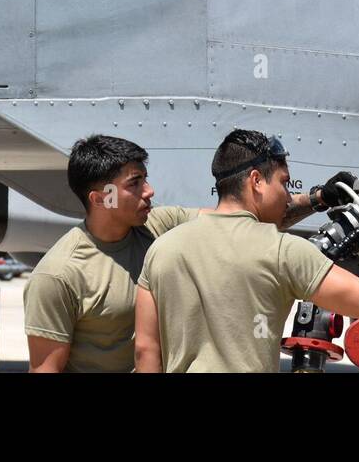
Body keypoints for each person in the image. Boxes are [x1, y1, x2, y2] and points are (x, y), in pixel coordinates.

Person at [134, 128, 359, 373]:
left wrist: (319, 198)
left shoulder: (162, 248)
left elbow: (146, 351)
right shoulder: (282, 250)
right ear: (256, 181)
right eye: (283, 183)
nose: (286, 194)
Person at [24, 133, 333, 372]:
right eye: (136, 183)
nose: (150, 191)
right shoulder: (58, 275)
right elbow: (45, 367)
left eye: (145, 178)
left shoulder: (159, 225)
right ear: (101, 198)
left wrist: (320, 198)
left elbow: (243, 219)